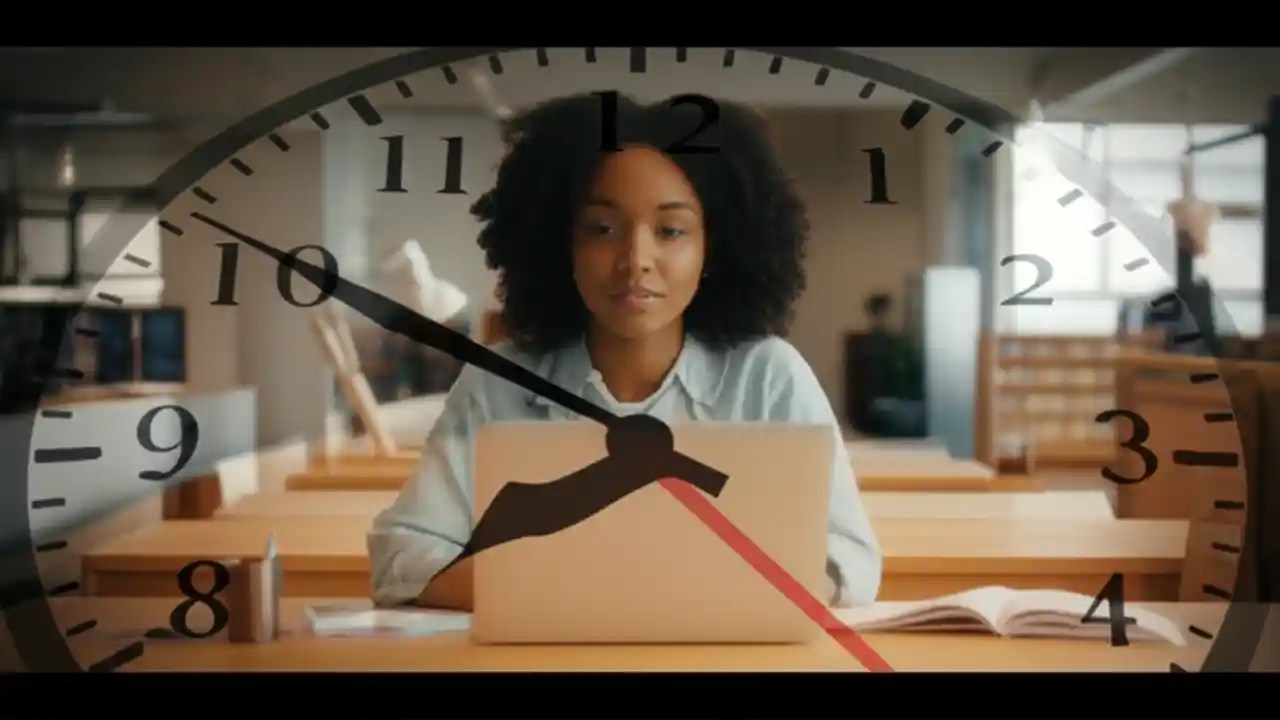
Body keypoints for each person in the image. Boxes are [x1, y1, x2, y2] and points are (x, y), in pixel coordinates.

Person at [366, 91, 882, 611]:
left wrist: (610, 586)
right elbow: (403, 557)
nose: (636, 259)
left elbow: (848, 561)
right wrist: (617, 591)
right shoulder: (497, 384)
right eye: (602, 229)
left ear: (713, 248)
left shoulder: (767, 377)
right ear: (561, 244)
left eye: (671, 230)